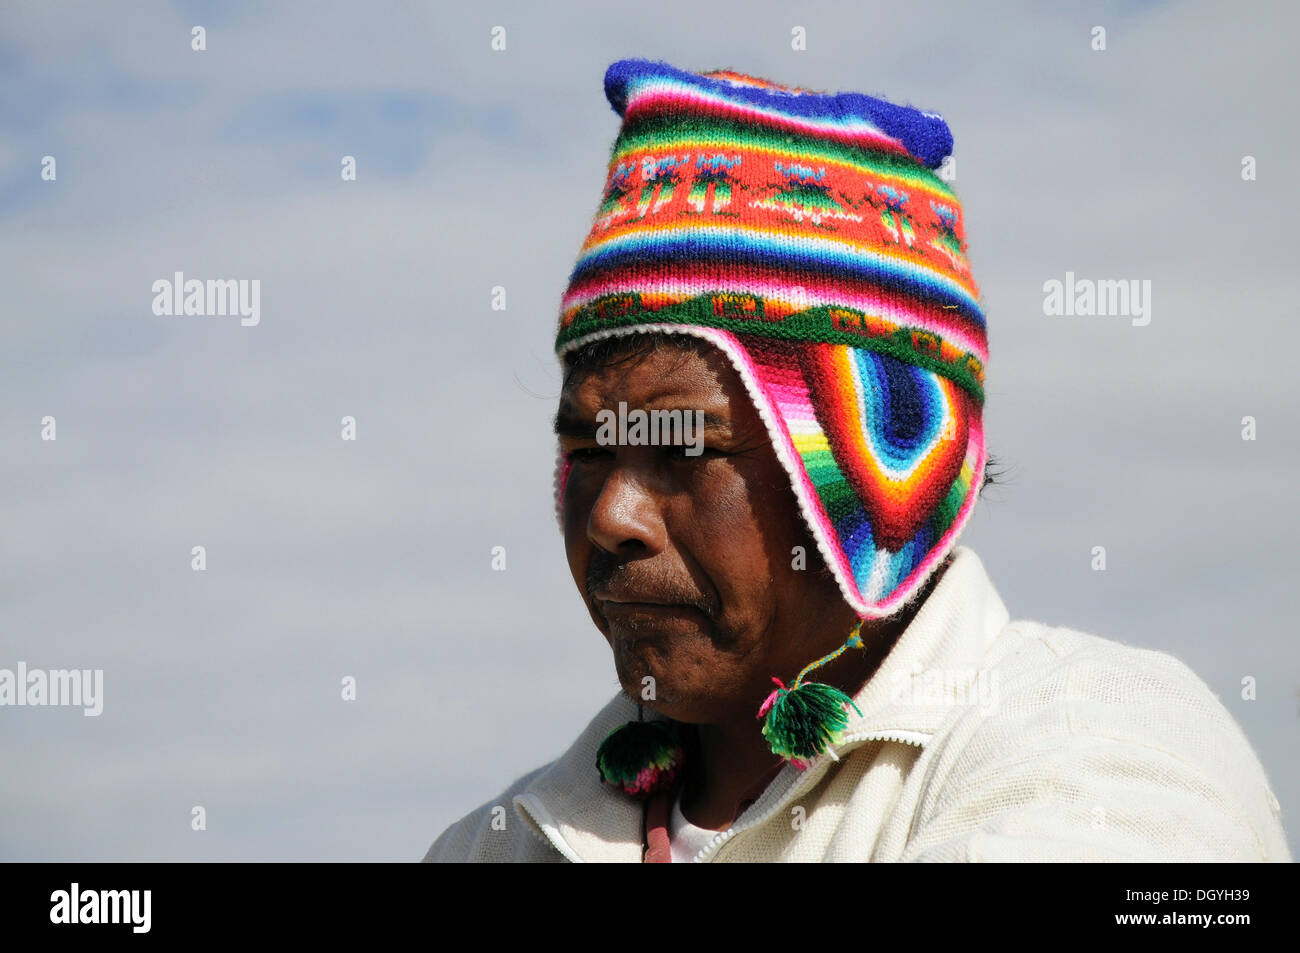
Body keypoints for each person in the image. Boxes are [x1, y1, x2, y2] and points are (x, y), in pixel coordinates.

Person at [423, 59, 1289, 862]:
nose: (613, 514)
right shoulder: (497, 845)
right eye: (586, 445)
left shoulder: (1104, 748)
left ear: (880, 466)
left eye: (683, 446)